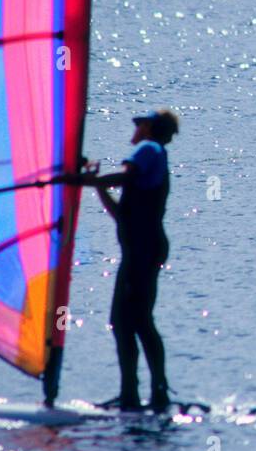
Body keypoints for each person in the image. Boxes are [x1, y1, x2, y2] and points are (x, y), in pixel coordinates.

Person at [76, 110, 179, 410]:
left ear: (149, 128)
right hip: (140, 250)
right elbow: (122, 214)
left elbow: (124, 176)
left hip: (144, 251)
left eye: (139, 123)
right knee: (126, 322)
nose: (134, 129)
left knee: (135, 321)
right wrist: (94, 184)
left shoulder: (149, 149)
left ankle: (153, 395)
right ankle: (134, 395)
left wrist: (76, 181)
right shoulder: (152, 155)